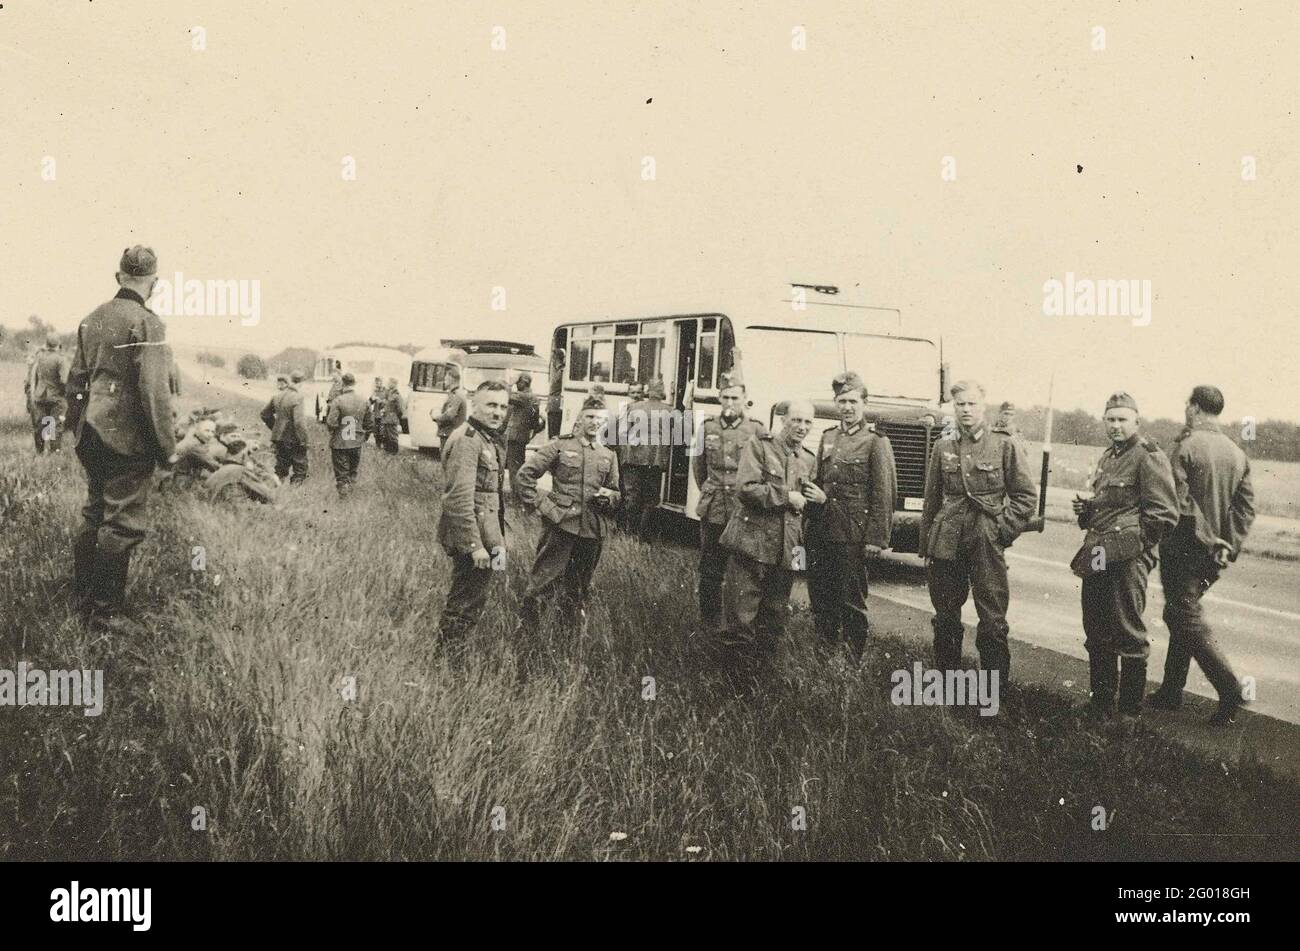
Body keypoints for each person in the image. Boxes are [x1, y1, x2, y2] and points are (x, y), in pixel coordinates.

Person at [64, 245, 176, 632]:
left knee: (94, 512)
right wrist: (167, 447)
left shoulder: (91, 318)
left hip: (91, 434)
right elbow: (153, 393)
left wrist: (75, 429)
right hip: (127, 440)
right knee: (122, 520)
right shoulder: (148, 323)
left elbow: (76, 381)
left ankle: (83, 597)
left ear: (118, 278)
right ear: (155, 283)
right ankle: (106, 612)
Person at [1149, 385, 1257, 725]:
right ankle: (1171, 690)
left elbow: (1178, 501)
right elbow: (1245, 509)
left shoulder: (1184, 446)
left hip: (1184, 546)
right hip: (1214, 554)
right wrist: (1227, 545)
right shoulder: (1237, 454)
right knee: (1181, 612)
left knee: (1184, 615)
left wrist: (1209, 540)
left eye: (1187, 404)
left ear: (1194, 408)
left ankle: (1229, 689)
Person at [1070, 393, 1179, 722]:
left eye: (1122, 419)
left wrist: (1140, 549)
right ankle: (1100, 704)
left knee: (1128, 631)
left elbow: (1164, 514)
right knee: (1097, 626)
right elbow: (1109, 508)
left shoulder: (1148, 456)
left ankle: (1129, 714)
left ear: (1136, 421)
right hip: (1100, 552)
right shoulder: (1108, 457)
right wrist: (1086, 511)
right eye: (1110, 419)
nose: (1115, 425)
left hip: (1128, 558)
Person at [919, 379, 1036, 683]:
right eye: (960, 404)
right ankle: (947, 688)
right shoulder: (943, 445)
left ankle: (993, 699)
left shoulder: (1003, 444)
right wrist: (926, 546)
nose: (966, 410)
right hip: (947, 539)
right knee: (945, 617)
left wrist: (1000, 530)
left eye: (972, 404)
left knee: (992, 621)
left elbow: (1025, 497)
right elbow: (931, 500)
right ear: (953, 407)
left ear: (983, 406)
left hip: (985, 539)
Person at [805, 371, 897, 660]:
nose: (847, 407)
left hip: (852, 534)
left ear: (864, 403)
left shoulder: (875, 441)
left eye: (853, 401)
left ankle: (850, 662)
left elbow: (884, 493)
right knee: (821, 597)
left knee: (851, 601)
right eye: (842, 401)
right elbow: (820, 481)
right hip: (822, 530)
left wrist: (876, 538)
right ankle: (823, 656)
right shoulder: (828, 437)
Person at [716, 399, 818, 659]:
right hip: (751, 544)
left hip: (787, 551)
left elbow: (805, 508)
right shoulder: (760, 445)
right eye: (796, 420)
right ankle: (733, 689)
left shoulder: (808, 459)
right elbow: (746, 488)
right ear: (784, 419)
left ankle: (761, 687)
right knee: (740, 620)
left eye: (808, 422)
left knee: (773, 623)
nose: (802, 427)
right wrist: (786, 497)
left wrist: (818, 499)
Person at [515, 394, 621, 635]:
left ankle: (569, 637)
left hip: (592, 530)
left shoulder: (608, 455)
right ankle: (527, 635)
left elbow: (616, 493)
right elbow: (525, 476)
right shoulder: (560, 446)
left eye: (600, 419)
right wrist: (545, 506)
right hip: (561, 526)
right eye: (590, 417)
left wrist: (609, 497)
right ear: (580, 418)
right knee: (544, 582)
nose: (595, 422)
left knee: (580, 588)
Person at [691, 371, 766, 632]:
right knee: (710, 568)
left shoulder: (756, 429)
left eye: (735, 397)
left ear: (745, 398)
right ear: (719, 399)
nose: (730, 403)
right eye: (726, 397)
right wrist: (710, 492)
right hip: (714, 508)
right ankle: (708, 622)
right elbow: (699, 468)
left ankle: (735, 623)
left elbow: (764, 469)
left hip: (743, 510)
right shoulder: (707, 428)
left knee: (742, 569)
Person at [437, 381, 510, 642]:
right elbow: (458, 497)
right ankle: (448, 662)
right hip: (472, 537)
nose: (498, 412)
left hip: (485, 534)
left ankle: (453, 656)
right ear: (474, 405)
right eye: (491, 404)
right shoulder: (468, 440)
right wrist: (474, 545)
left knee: (472, 601)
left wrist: (497, 541)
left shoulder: (485, 438)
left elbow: (491, 497)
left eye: (503, 406)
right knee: (464, 603)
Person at [619, 379, 672, 540]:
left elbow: (623, 432)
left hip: (632, 457)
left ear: (647, 391)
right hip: (654, 460)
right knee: (650, 497)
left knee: (632, 495)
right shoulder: (670, 410)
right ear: (662, 392)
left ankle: (630, 532)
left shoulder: (633, 407)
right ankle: (643, 534)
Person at [325, 372, 374, 495]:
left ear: (343, 384)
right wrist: (363, 437)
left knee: (342, 474)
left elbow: (331, 422)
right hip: (356, 442)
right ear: (354, 384)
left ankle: (344, 498)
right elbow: (370, 424)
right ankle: (351, 495)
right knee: (353, 471)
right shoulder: (364, 401)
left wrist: (335, 432)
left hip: (340, 443)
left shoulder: (338, 401)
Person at [261, 369, 310, 484]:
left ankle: (276, 492)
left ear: (290, 381)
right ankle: (294, 496)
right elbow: (299, 422)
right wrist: (304, 441)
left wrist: (275, 427)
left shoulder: (277, 396)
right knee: (300, 469)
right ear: (301, 383)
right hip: (294, 438)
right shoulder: (298, 397)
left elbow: (264, 414)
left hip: (279, 438)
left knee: (280, 468)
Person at [505, 372, 544, 501]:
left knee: (513, 467)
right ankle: (520, 493)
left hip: (514, 437)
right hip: (522, 437)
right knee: (519, 465)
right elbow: (535, 423)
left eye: (518, 383)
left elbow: (505, 395)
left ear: (524, 383)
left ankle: (515, 495)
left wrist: (509, 384)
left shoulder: (522, 397)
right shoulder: (535, 399)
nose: (517, 385)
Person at [29, 335, 69, 453]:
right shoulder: (60, 359)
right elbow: (64, 380)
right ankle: (54, 452)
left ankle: (39, 452)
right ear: (58, 345)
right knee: (56, 425)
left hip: (40, 396)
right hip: (56, 397)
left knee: (40, 425)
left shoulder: (40, 356)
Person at [436, 368, 469, 454]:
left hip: (449, 433)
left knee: (447, 460)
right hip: (450, 433)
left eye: (446, 379)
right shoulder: (456, 394)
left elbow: (450, 415)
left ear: (451, 379)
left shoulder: (456, 395)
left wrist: (436, 417)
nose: (444, 381)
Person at [380, 376, 405, 454]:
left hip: (392, 418)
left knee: (392, 436)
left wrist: (396, 416)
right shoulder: (388, 393)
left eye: (390, 382)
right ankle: (387, 450)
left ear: (394, 384)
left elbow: (400, 409)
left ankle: (393, 452)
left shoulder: (397, 395)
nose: (388, 384)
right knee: (386, 434)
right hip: (386, 418)